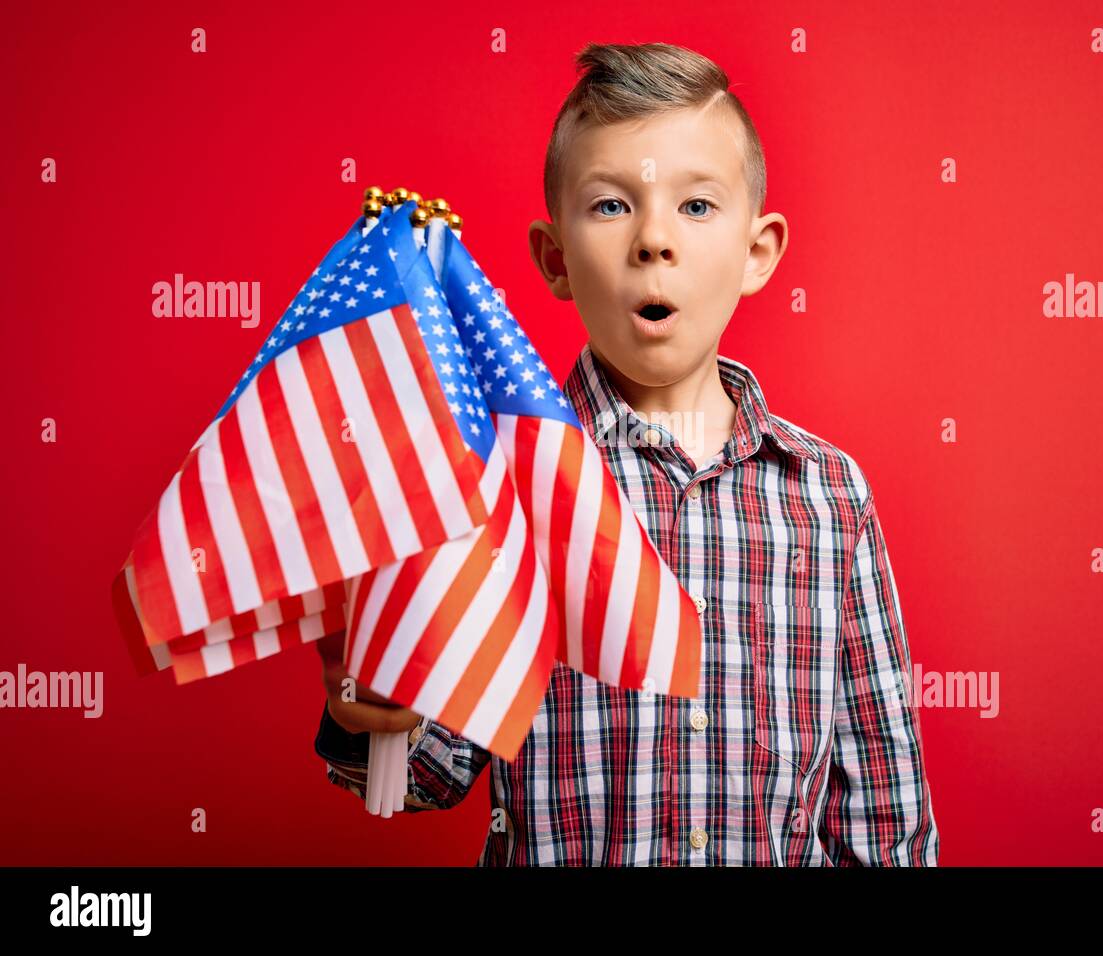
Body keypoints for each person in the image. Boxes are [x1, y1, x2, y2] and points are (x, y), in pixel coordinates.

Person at [315, 40, 939, 866]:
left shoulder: (829, 498)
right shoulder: (502, 485)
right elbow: (430, 770)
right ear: (553, 259)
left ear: (758, 253)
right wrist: (373, 698)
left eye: (696, 206)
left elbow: (885, 820)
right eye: (611, 206)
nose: (653, 241)